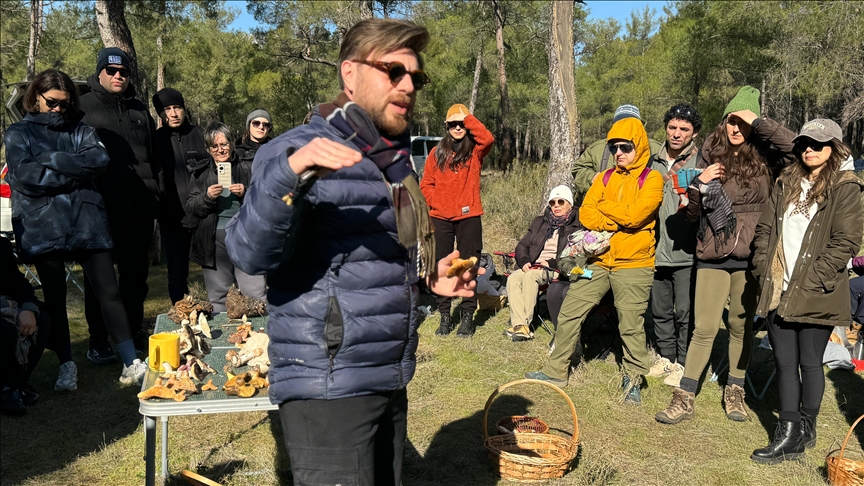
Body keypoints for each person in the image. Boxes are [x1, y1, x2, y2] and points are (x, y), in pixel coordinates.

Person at [225, 18, 481, 486]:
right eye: (393, 71)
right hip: (328, 381)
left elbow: (367, 265)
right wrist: (290, 174)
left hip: (385, 373)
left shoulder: (392, 162)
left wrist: (428, 281)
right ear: (349, 73)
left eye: (416, 78)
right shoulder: (298, 150)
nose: (407, 86)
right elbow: (249, 254)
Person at [656, 86, 796, 425]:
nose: (735, 128)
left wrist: (759, 122)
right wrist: (698, 184)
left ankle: (734, 390)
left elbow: (795, 148)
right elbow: (692, 214)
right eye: (731, 120)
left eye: (742, 122)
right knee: (704, 327)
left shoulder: (767, 157)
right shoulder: (710, 151)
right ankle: (685, 395)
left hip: (751, 254)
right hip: (712, 251)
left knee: (739, 324)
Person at [3, 69, 149, 390]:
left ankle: (130, 361)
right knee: (55, 297)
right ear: (35, 98)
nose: (59, 110)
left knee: (109, 292)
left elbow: (98, 161)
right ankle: (66, 365)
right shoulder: (17, 133)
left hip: (88, 221)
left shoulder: (82, 129)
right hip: (43, 225)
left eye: (65, 104)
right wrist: (74, 171)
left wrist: (49, 158)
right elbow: (26, 176)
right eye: (52, 103)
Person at [525, 117, 664, 406]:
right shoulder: (602, 178)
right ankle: (556, 371)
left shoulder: (652, 179)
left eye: (625, 147)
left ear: (638, 147)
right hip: (599, 260)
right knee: (571, 310)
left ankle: (633, 380)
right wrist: (618, 216)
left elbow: (637, 215)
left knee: (631, 323)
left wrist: (608, 209)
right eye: (614, 147)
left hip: (634, 264)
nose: (618, 153)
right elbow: (587, 215)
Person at [749, 119, 863, 464]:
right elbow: (766, 228)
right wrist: (760, 265)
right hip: (778, 287)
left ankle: (805, 425)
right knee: (785, 363)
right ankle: (788, 433)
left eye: (818, 143)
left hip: (819, 289)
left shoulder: (846, 187)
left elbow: (846, 241)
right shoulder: (786, 181)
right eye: (804, 144)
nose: (809, 149)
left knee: (810, 362)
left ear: (834, 148)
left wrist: (813, 280)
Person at [79, 47, 160, 361]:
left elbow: (154, 157)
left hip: (139, 210)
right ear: (100, 72)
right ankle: (98, 341)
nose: (117, 77)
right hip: (100, 211)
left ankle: (133, 332)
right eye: (111, 71)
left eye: (123, 72)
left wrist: (158, 191)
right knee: (99, 280)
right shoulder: (83, 107)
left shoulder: (140, 110)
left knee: (135, 277)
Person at [420, 103, 494, 337]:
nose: (458, 127)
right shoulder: (436, 152)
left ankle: (467, 317)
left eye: (461, 123)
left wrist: (468, 118)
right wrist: (437, 201)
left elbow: (488, 138)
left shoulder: (475, 150)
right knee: (442, 267)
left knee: (468, 265)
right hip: (440, 217)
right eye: (453, 124)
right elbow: (426, 184)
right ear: (447, 126)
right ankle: (444, 316)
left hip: (469, 216)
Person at [645, 104, 703, 387]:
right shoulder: (651, 160)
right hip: (654, 249)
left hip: (686, 251)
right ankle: (665, 357)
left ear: (694, 133)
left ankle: (683, 362)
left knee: (684, 312)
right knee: (660, 309)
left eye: (684, 129)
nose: (676, 134)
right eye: (672, 127)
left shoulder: (700, 161)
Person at [186, 122, 266, 313]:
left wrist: (246, 193)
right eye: (215, 146)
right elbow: (191, 207)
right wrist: (207, 197)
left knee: (254, 294)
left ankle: (261, 340)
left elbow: (266, 199)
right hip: (214, 240)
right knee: (218, 298)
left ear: (232, 143)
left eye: (224, 144)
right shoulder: (201, 172)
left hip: (246, 236)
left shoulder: (248, 165)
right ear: (208, 149)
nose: (220, 150)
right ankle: (224, 340)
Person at [503, 185, 581, 342]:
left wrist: (551, 262)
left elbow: (575, 253)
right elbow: (522, 245)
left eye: (561, 201)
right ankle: (520, 325)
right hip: (533, 265)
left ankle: (523, 325)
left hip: (557, 267)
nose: (556, 206)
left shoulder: (576, 225)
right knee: (514, 278)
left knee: (530, 276)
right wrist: (524, 260)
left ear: (570, 204)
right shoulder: (540, 222)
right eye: (552, 202)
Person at [153, 88, 209, 304]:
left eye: (177, 107)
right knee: (177, 275)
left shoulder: (201, 136)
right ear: (161, 114)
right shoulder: (155, 141)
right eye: (167, 109)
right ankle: (184, 317)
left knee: (213, 271)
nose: (173, 113)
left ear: (184, 109)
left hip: (204, 216)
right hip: (172, 219)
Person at [1, 236, 51, 415]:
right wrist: (5, 304)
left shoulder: (2, 246)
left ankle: (12, 386)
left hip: (8, 310)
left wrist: (28, 309)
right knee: (5, 331)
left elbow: (18, 283)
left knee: (42, 321)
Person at [572, 104, 663, 200]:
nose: (618, 152)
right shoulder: (597, 148)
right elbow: (578, 169)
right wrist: (592, 178)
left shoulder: (656, 149)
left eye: (630, 123)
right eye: (613, 149)